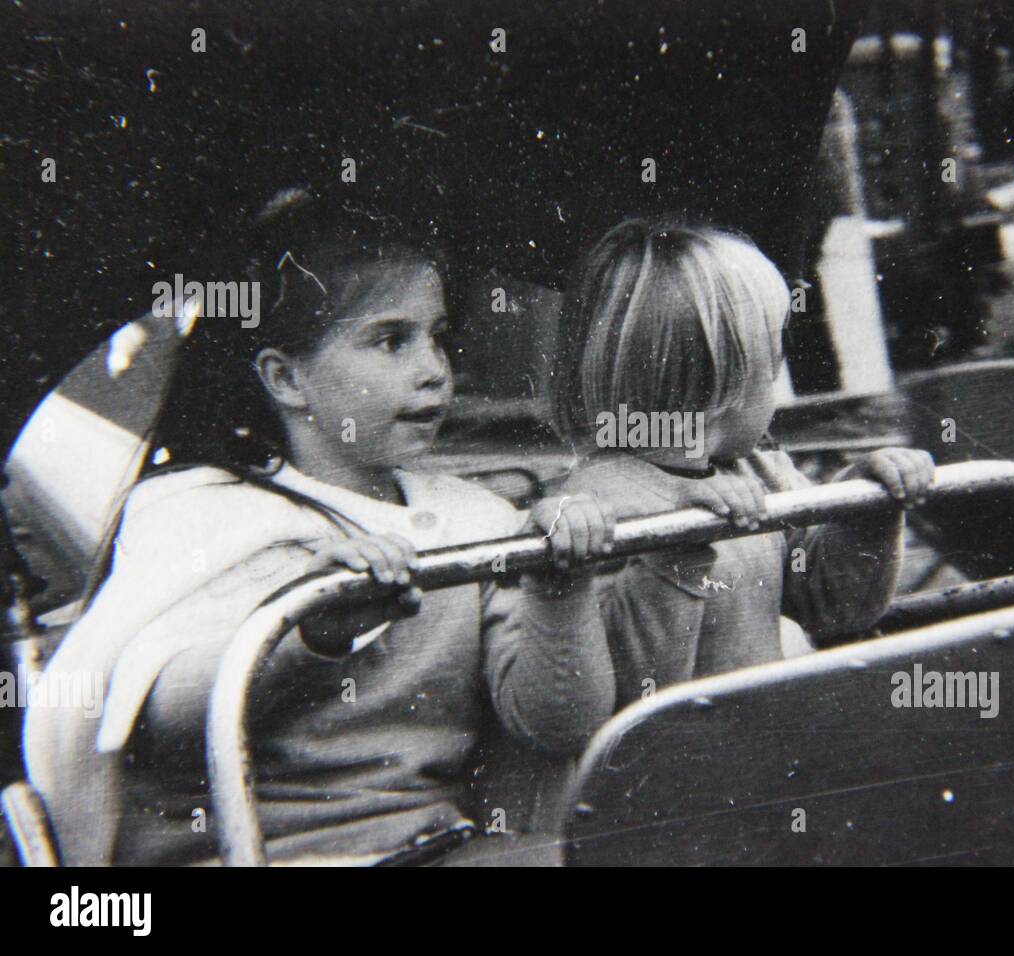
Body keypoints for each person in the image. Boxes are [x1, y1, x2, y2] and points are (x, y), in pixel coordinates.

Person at [23, 189, 618, 866]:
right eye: (392, 341)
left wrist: (561, 590)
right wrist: (312, 632)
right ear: (287, 379)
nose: (434, 371)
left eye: (438, 337)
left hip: (427, 846)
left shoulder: (474, 520)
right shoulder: (203, 512)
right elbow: (161, 718)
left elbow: (556, 724)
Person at [550, 219, 935, 707]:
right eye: (771, 365)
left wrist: (865, 513)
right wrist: (679, 538)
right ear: (724, 383)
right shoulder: (595, 505)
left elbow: (833, 609)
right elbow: (623, 686)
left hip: (756, 745)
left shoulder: (762, 472)